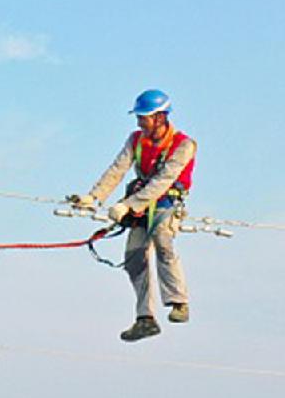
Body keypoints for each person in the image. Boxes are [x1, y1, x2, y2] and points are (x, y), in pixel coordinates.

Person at [68, 89, 196, 342]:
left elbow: (163, 180)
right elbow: (117, 169)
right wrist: (94, 198)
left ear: (160, 118)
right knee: (134, 256)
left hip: (166, 202)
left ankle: (178, 301)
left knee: (162, 241)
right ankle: (145, 319)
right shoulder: (135, 140)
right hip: (140, 204)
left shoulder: (184, 145)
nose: (139, 122)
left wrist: (128, 205)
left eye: (143, 117)